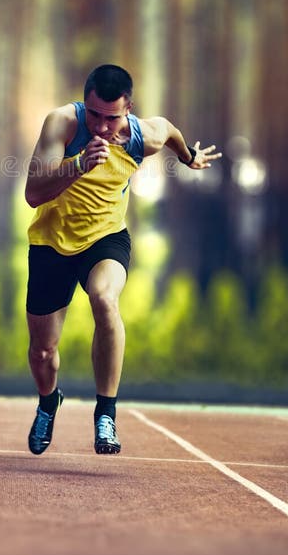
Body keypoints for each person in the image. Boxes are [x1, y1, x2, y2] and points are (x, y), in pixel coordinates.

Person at [24, 64, 221, 456]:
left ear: (128, 109)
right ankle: (49, 402)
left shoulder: (141, 136)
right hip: (51, 243)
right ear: (84, 104)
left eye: (110, 118)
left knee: (105, 299)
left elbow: (169, 132)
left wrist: (188, 156)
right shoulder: (62, 125)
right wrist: (78, 164)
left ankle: (106, 414)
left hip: (106, 238)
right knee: (43, 353)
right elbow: (33, 192)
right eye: (93, 114)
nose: (100, 127)